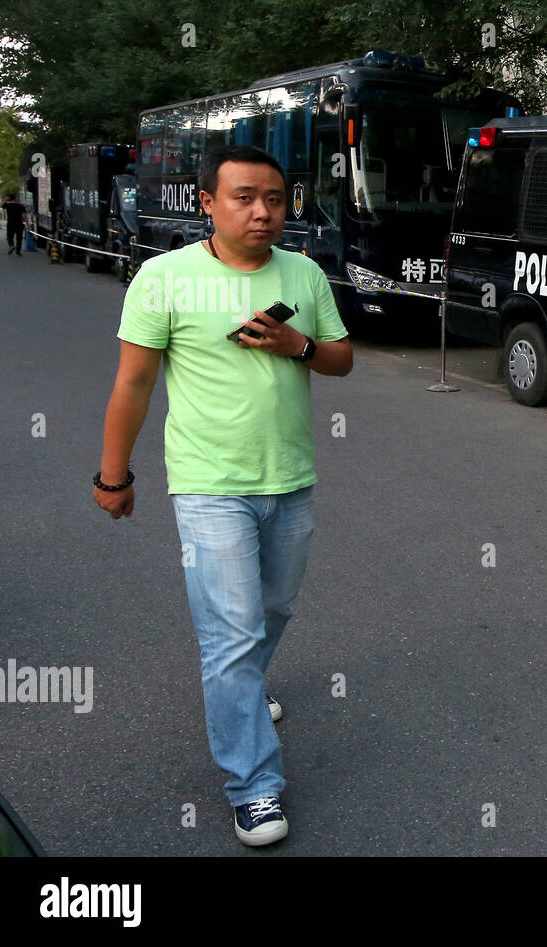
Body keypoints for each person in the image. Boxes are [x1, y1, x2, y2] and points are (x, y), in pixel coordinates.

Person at [93, 144, 353, 846]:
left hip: (291, 478)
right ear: (207, 202)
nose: (263, 211)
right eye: (243, 197)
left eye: (274, 197)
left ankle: (240, 685)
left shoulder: (302, 272)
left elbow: (341, 357)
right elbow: (134, 384)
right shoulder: (163, 277)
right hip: (209, 485)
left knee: (274, 608)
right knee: (232, 635)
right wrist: (113, 474)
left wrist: (295, 345)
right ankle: (255, 785)